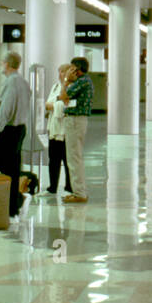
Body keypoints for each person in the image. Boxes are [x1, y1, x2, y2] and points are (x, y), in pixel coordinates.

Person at [0, 52, 31, 220]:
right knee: (13, 168)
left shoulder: (11, 83)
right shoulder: (24, 83)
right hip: (20, 129)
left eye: (2, 62)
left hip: (8, 130)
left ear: (7, 64)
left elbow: (6, 109)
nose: (1, 65)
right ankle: (12, 207)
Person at [60, 56, 93, 203]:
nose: (68, 71)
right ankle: (79, 190)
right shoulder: (83, 81)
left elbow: (63, 96)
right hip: (77, 121)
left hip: (75, 121)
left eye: (71, 69)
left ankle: (79, 193)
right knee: (75, 157)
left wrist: (66, 81)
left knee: (73, 157)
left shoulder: (82, 82)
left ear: (77, 70)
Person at [44, 64, 73, 196]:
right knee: (53, 160)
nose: (60, 74)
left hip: (65, 130)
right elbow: (47, 104)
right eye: (59, 71)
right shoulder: (55, 87)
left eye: (63, 71)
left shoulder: (71, 88)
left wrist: (54, 105)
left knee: (67, 161)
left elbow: (62, 107)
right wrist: (56, 101)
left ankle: (69, 186)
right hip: (53, 130)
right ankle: (53, 186)